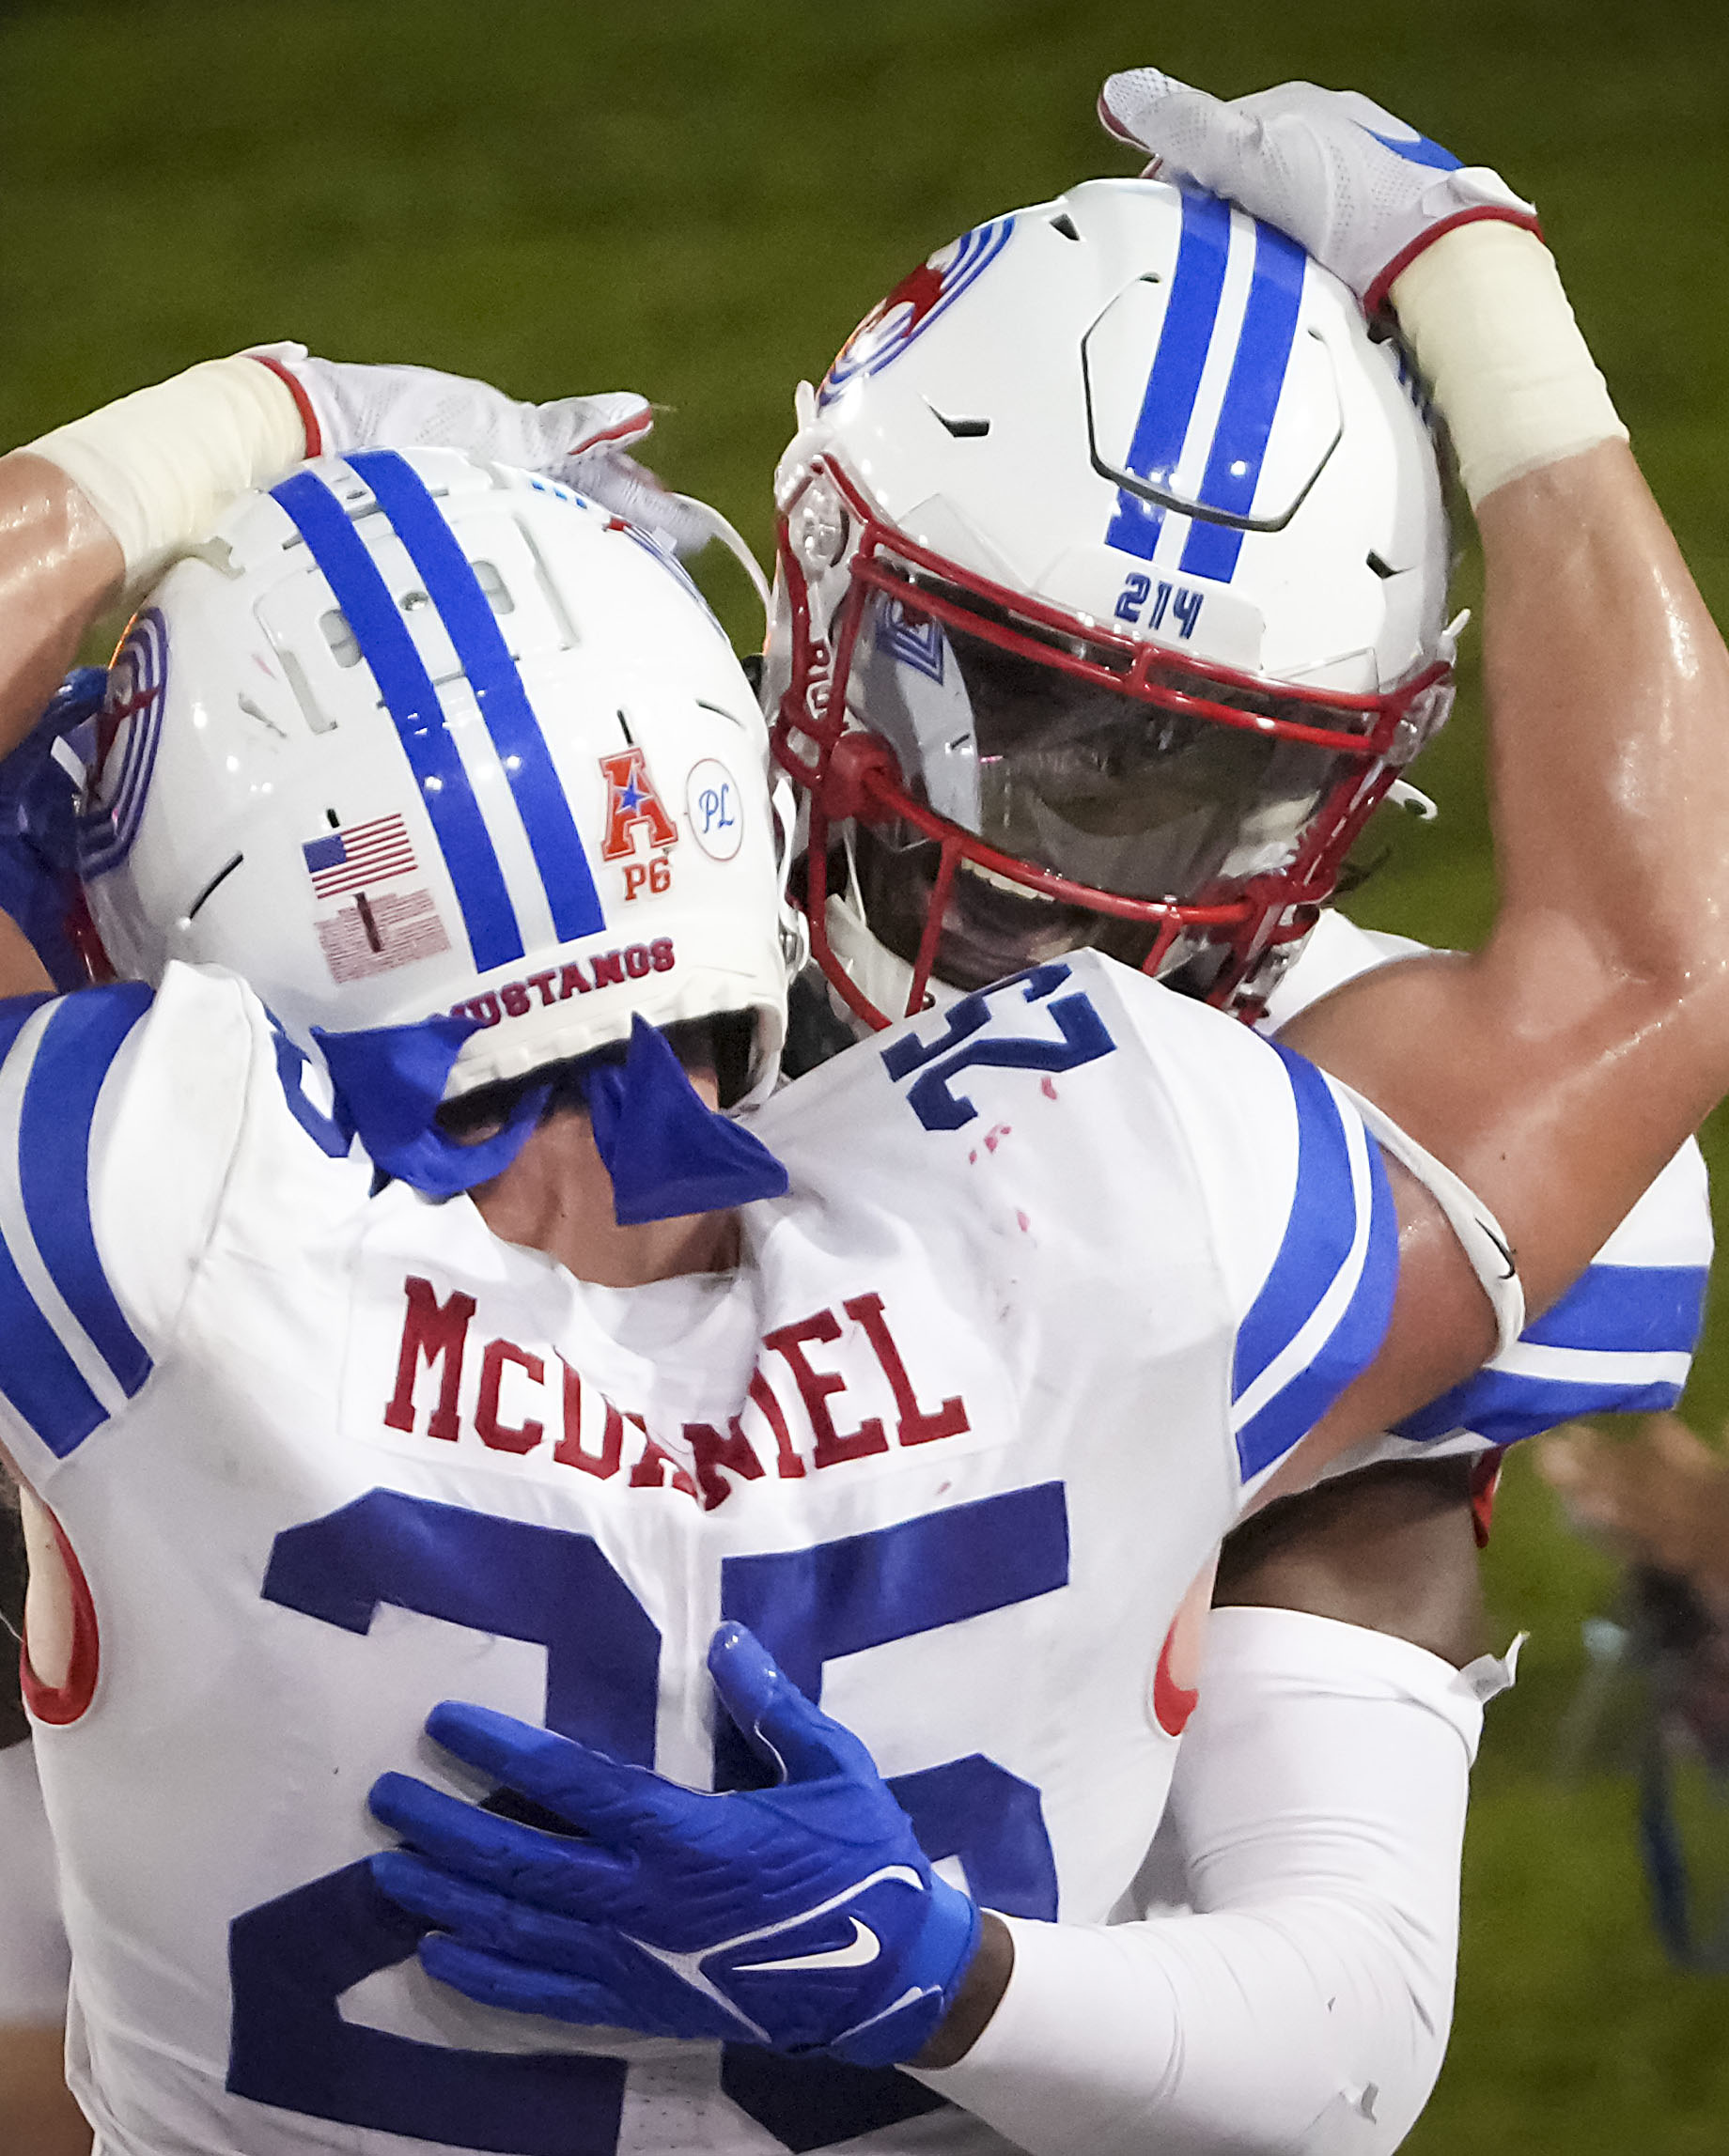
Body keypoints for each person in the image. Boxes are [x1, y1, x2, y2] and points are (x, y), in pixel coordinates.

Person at [1, 75, 1726, 2156]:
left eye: (1189, 777)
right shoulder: (1179, 1179)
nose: (1062, 863)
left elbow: (1335, 2010)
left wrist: (256, 417)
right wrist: (934, 1969)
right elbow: (1654, 956)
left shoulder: (150, 1195)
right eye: (1007, 705)